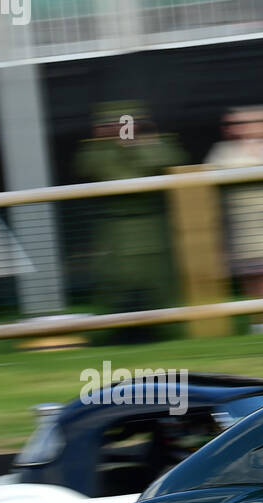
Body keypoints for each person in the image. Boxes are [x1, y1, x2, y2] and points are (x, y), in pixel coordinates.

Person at [73, 102, 186, 336]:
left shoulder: (158, 143)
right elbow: (103, 172)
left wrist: (141, 142)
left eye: (126, 123)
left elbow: (169, 162)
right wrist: (116, 145)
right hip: (114, 228)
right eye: (114, 124)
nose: (121, 128)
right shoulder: (96, 151)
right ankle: (115, 332)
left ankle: (166, 329)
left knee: (157, 280)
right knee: (117, 281)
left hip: (152, 225)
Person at [204, 105, 263, 332]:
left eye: (250, 122)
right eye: (236, 124)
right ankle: (261, 325)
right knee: (252, 275)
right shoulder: (223, 150)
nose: (243, 128)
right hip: (242, 227)